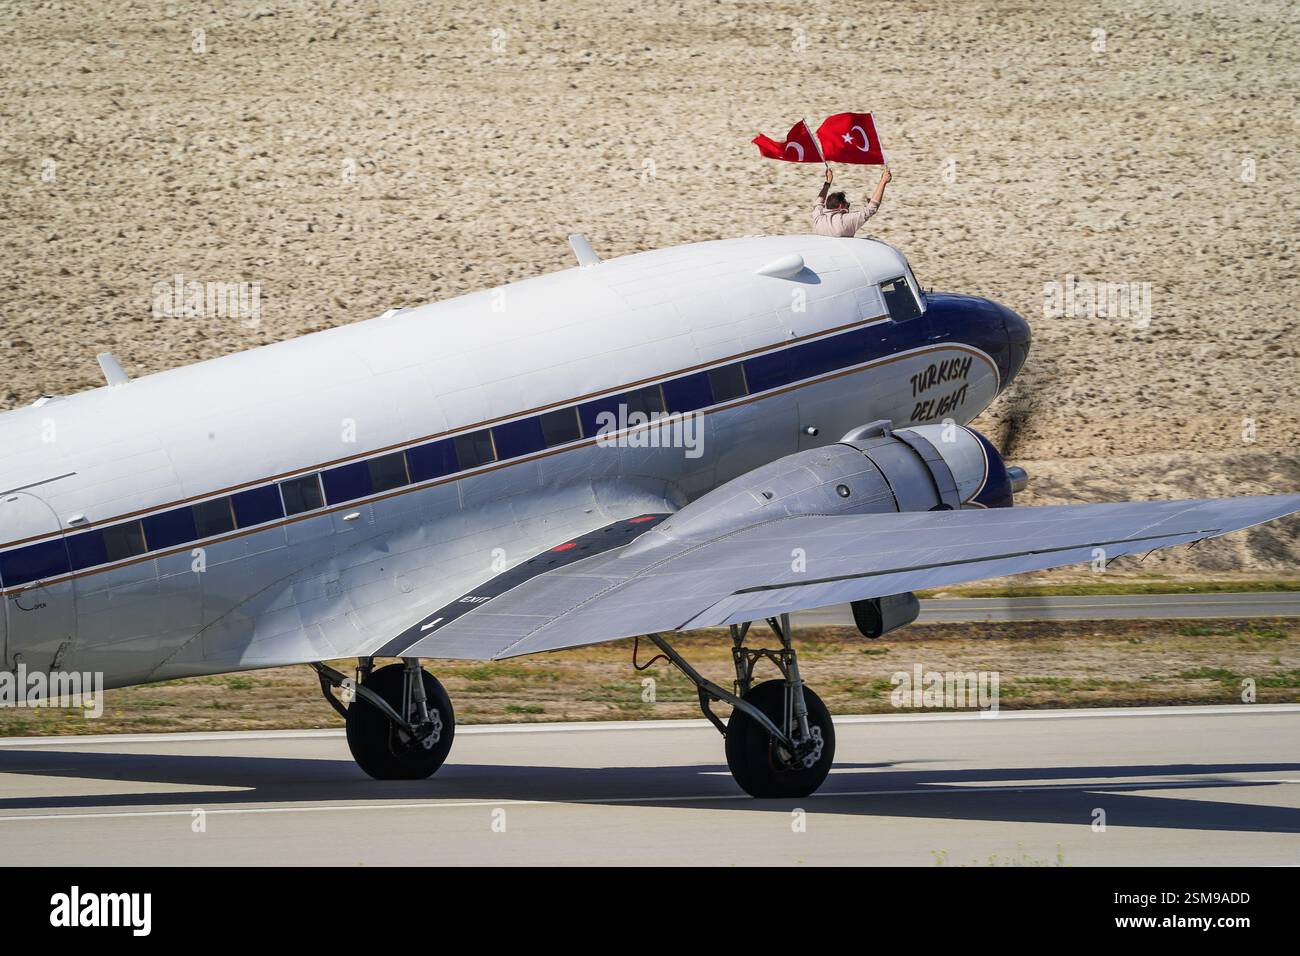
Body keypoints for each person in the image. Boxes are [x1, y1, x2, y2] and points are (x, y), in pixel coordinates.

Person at [811, 166, 891, 237]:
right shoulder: (845, 221)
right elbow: (871, 209)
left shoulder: (818, 219)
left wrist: (828, 182)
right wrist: (883, 181)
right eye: (847, 205)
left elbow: (818, 202)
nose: (848, 208)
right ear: (841, 206)